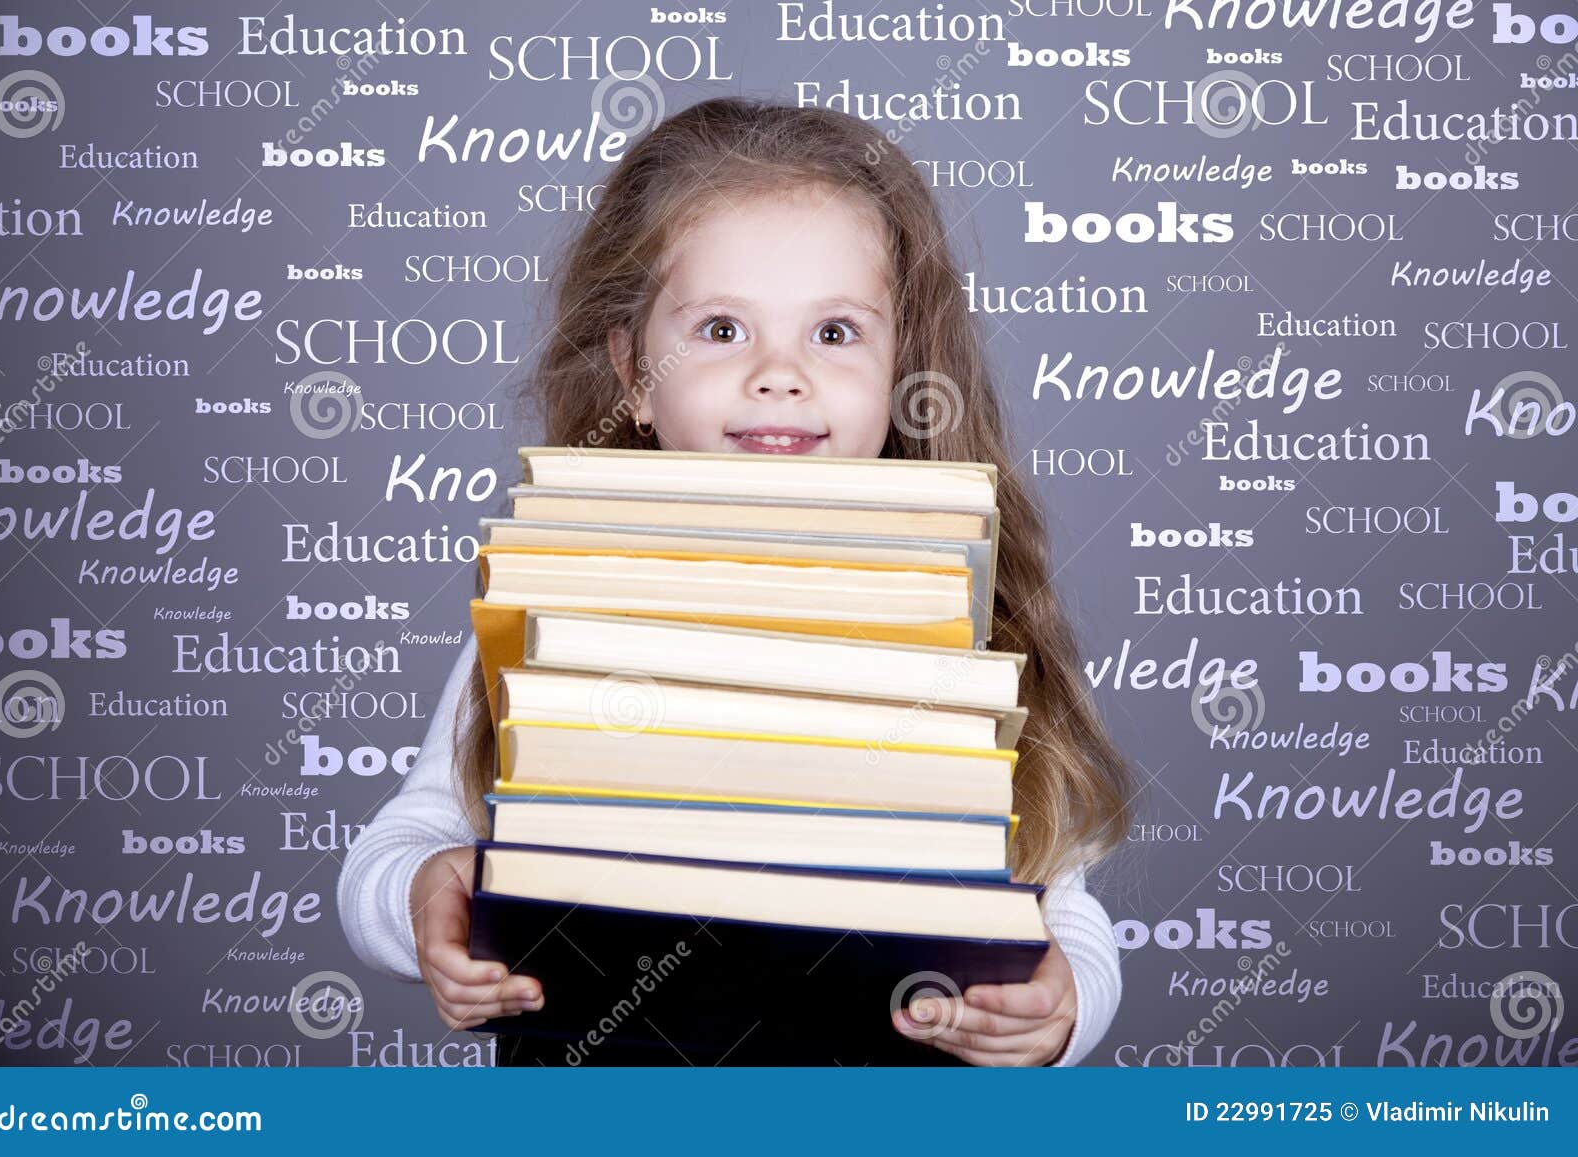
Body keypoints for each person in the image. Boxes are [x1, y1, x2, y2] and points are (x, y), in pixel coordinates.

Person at [339, 97, 1133, 1067]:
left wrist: (1061, 1008)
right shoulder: (554, 607)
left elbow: (1069, 909)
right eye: (720, 328)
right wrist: (427, 888)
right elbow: (402, 842)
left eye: (834, 333)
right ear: (633, 367)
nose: (778, 374)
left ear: (899, 368)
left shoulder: (974, 622)